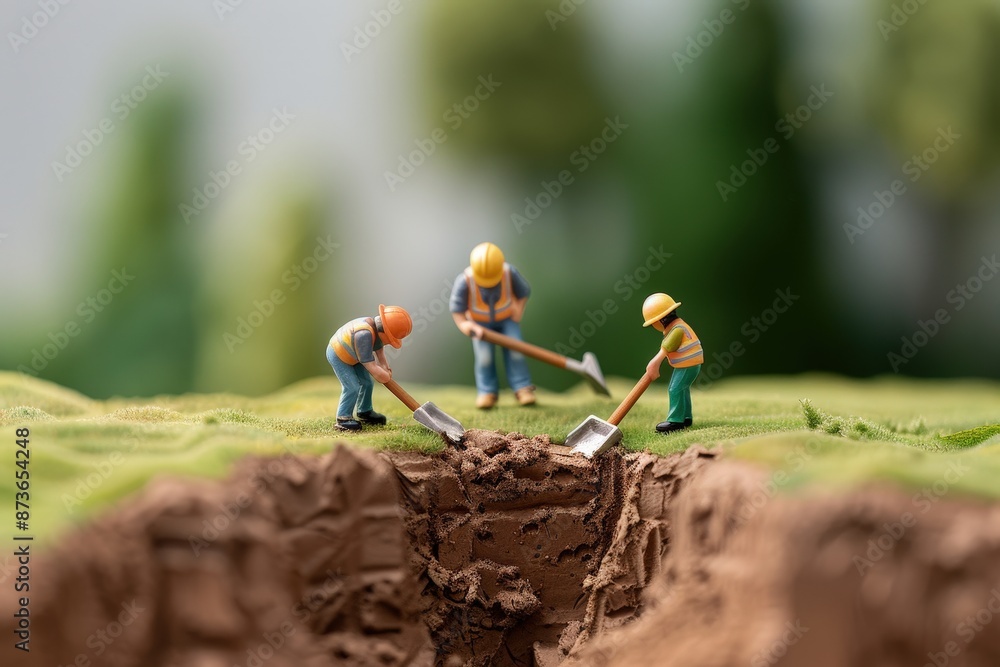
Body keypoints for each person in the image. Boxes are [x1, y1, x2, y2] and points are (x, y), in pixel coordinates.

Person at [450, 242, 535, 409]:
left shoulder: (509, 273)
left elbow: (524, 292)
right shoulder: (465, 280)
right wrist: (466, 326)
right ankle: (487, 392)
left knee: (516, 351)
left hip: (507, 320)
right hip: (480, 327)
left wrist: (518, 308)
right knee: (484, 359)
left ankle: (522, 388)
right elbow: (457, 311)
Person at [327, 304, 412, 431]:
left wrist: (385, 366)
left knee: (366, 383)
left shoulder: (376, 330)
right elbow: (371, 367)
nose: (389, 342)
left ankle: (364, 411)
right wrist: (383, 376)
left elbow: (379, 351)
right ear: (384, 331)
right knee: (352, 387)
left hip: (355, 354)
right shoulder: (364, 336)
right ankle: (343, 418)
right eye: (390, 339)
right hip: (339, 354)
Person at [641, 293, 703, 433]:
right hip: (690, 364)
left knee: (674, 389)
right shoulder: (677, 326)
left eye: (653, 323)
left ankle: (675, 421)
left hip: (688, 364)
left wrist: (654, 363)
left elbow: (666, 348)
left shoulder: (677, 330)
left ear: (660, 320)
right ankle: (686, 417)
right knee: (683, 388)